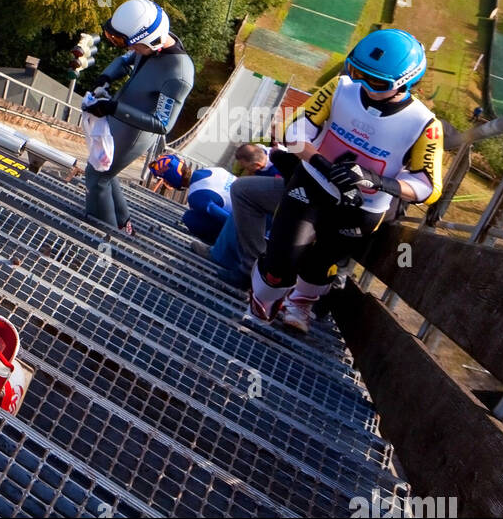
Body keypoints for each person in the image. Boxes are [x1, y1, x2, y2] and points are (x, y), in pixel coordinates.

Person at [248, 28, 443, 336]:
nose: (363, 85)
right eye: (356, 71)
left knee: (322, 261)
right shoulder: (340, 87)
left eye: (376, 82)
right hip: (312, 184)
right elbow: (293, 132)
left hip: (362, 206)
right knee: (279, 262)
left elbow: (427, 187)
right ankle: (262, 304)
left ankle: (301, 303)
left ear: (404, 83)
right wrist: (321, 164)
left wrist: (376, 181)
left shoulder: (425, 125)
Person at [81, 0, 194, 236]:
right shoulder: (153, 44)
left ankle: (103, 235)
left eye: (134, 45)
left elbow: (162, 124)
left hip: (135, 131)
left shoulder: (178, 75)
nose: (131, 50)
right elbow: (126, 60)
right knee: (106, 173)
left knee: (96, 176)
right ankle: (122, 224)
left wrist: (113, 109)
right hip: (119, 115)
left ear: (152, 42)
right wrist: (106, 77)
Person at [150, 145, 271, 251]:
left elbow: (228, 220)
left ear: (172, 179)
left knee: (190, 218)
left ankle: (221, 250)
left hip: (258, 230)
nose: (168, 184)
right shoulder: (214, 169)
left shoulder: (196, 197)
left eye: (166, 181)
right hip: (265, 212)